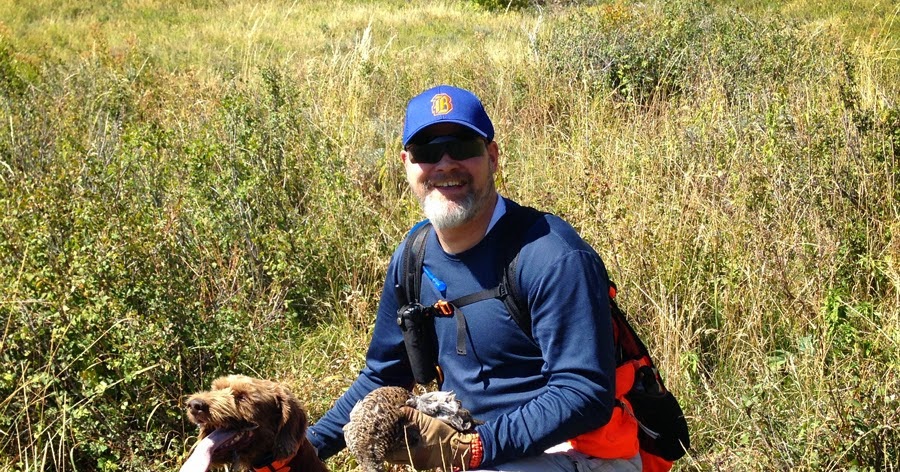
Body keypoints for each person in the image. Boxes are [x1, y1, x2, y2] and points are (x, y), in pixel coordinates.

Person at [306, 85, 641, 471]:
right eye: (427, 152)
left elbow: (584, 393)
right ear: (407, 164)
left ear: (493, 157)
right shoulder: (413, 256)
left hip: (578, 450)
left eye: (463, 146)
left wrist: (474, 448)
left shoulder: (551, 255)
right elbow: (384, 374)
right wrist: (303, 450)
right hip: (479, 446)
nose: (445, 164)